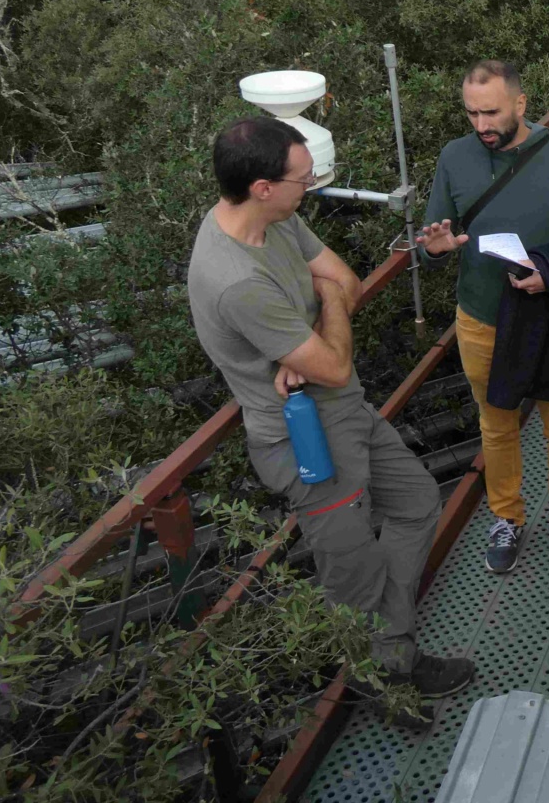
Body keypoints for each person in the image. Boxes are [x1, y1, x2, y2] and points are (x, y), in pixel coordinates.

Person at [186, 117, 474, 725]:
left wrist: (321, 326)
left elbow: (344, 281)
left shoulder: (277, 218)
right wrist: (326, 335)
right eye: (301, 178)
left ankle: (390, 645)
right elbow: (336, 363)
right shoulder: (235, 280)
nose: (311, 185)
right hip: (303, 438)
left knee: (418, 501)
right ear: (262, 186)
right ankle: (384, 682)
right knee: (352, 573)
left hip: (343, 409)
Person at [414, 60, 549, 579]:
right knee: (495, 420)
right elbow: (441, 234)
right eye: (471, 113)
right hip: (481, 315)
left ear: (521, 105)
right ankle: (507, 516)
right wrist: (435, 249)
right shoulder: (454, 158)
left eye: (492, 112)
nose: (481, 125)